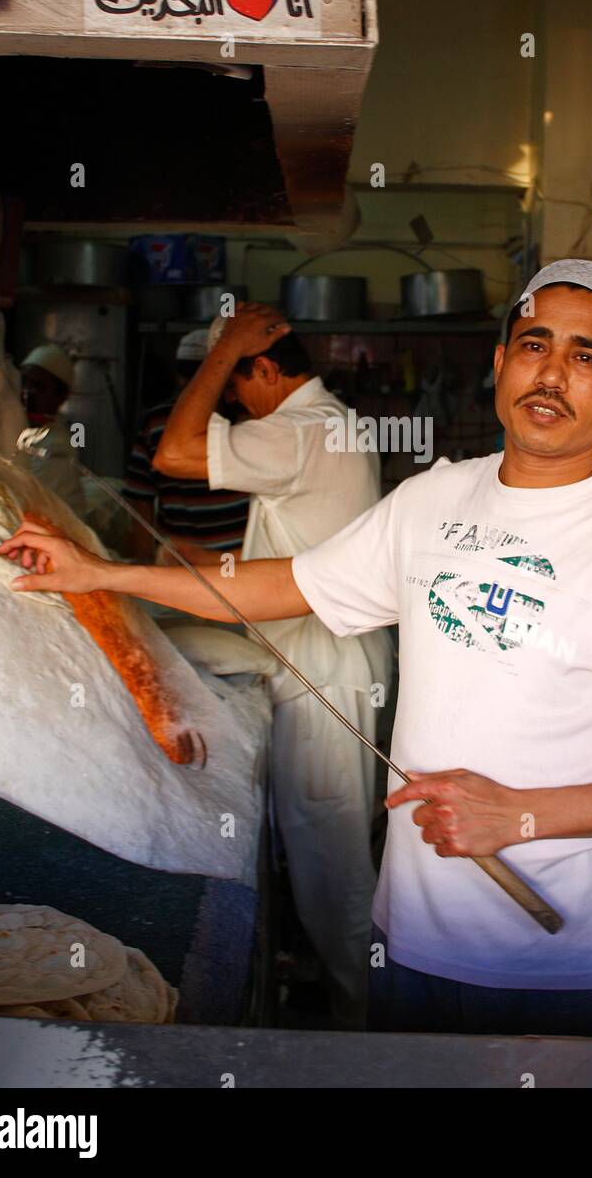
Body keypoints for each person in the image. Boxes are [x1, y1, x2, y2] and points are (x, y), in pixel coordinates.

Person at [0, 261, 592, 1039]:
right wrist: (97, 571)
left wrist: (522, 816)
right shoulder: (433, 499)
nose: (554, 374)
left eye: (586, 356)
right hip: (413, 948)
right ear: (501, 365)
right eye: (535, 345)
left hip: (563, 969)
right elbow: (281, 585)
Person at [154, 304, 392, 1028]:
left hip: (326, 674)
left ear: (263, 367)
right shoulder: (321, 428)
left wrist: (221, 347)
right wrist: (187, 561)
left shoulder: (298, 431)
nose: (234, 407)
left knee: (335, 874)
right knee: (330, 863)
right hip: (326, 664)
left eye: (237, 386)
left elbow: (174, 452)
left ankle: (370, 1039)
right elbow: (279, 559)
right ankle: (352, 1000)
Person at [123, 330, 250, 567]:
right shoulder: (157, 424)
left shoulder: (246, 423)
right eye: (188, 375)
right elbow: (140, 500)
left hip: (238, 561)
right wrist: (144, 562)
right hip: (181, 560)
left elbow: (141, 500)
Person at [17, 345, 86, 516]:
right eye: (24, 382)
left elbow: (28, 502)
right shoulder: (16, 428)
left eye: (38, 386)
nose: (27, 392)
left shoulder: (57, 446)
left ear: (60, 397)